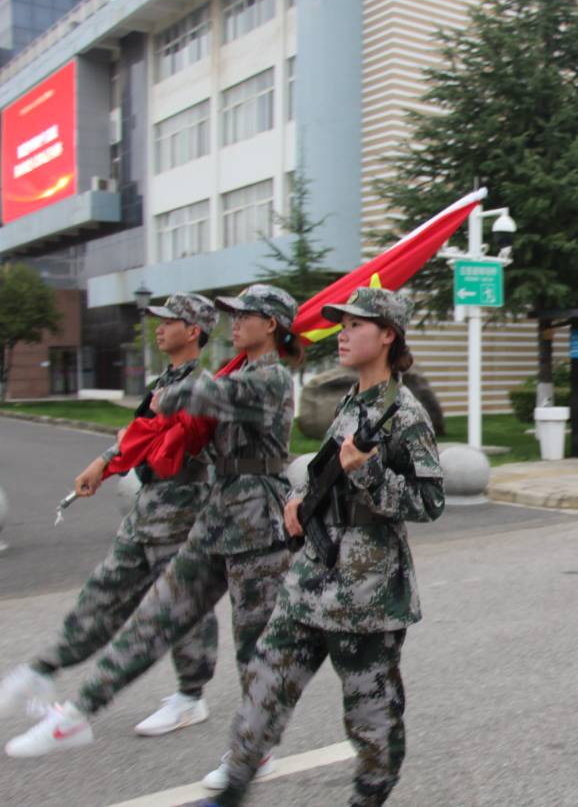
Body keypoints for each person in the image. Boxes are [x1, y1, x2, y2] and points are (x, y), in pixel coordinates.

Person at [6, 285, 299, 767]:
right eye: (231, 313)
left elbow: (207, 394)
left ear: (271, 324)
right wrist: (113, 457)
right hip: (217, 514)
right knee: (153, 619)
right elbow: (170, 427)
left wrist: (173, 395)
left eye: (245, 313)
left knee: (255, 649)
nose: (235, 320)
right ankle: (78, 713)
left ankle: (250, 749)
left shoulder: (269, 379)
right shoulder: (237, 370)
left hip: (257, 525)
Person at [197, 287, 444, 807]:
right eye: (341, 324)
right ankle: (232, 789)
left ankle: (369, 796)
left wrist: (370, 471)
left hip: (367, 593)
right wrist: (299, 497)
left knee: (370, 712)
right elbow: (326, 474)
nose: (343, 333)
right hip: (312, 577)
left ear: (387, 335)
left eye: (355, 325)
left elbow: (429, 500)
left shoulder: (404, 413)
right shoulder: (351, 402)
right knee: (266, 680)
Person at [0, 295, 220, 736]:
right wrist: (103, 464)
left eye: (168, 321)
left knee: (184, 609)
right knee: (103, 588)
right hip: (146, 511)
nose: (157, 328)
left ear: (193, 330)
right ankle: (46, 668)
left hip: (184, 517)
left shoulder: (205, 387)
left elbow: (197, 447)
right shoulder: (165, 380)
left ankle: (190, 697)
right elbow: (138, 435)